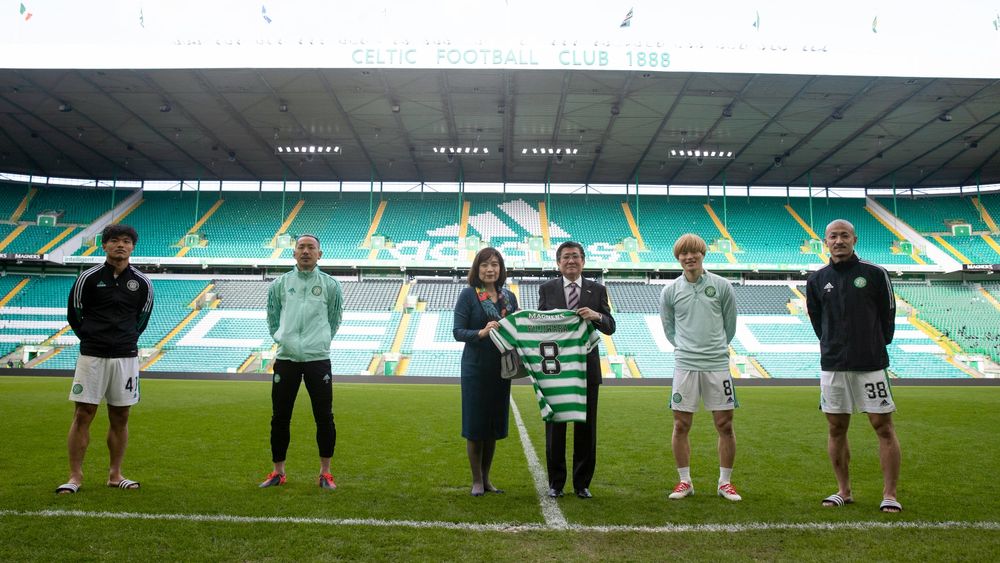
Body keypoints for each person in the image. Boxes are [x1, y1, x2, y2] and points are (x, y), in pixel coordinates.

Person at [806, 219, 902, 513]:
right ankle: (843, 491)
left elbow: (888, 313)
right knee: (836, 427)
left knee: (882, 426)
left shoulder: (875, 273)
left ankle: (890, 494)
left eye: (844, 235)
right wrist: (833, 344)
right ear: (825, 242)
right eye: (833, 236)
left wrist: (874, 344)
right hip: (833, 364)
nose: (838, 240)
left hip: (870, 363)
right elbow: (817, 319)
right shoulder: (816, 279)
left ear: (854, 239)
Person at [56, 223, 154, 494]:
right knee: (83, 414)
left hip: (125, 358)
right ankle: (75, 477)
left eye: (125, 241)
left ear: (132, 247)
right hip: (92, 355)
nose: (120, 245)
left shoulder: (142, 283)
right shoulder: (87, 278)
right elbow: (74, 315)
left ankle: (115, 474)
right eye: (114, 240)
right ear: (104, 245)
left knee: (121, 416)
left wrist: (125, 340)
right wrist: (91, 337)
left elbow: (142, 319)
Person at [659, 234, 741, 502]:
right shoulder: (670, 291)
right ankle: (685, 481)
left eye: (694, 252)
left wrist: (713, 348)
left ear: (703, 254)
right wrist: (687, 348)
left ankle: (725, 483)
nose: (689, 257)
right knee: (681, 425)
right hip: (685, 365)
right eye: (684, 253)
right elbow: (669, 329)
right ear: (678, 258)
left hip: (717, 364)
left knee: (724, 424)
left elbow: (730, 326)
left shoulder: (722, 285)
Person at [260, 234, 344, 490]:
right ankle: (278, 472)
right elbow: (272, 316)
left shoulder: (330, 285)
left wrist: (321, 340)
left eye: (311, 247)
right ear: (294, 253)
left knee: (324, 417)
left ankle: (325, 473)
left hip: (318, 358)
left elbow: (335, 318)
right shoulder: (280, 284)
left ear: (320, 254)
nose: (306, 251)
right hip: (287, 358)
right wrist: (280, 338)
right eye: (301, 247)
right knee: (280, 417)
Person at [537, 241, 615, 499]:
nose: (571, 261)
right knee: (555, 427)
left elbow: (610, 326)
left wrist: (596, 316)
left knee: (586, 428)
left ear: (583, 261)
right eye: (566, 257)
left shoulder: (598, 289)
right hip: (556, 368)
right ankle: (555, 483)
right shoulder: (547, 289)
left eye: (575, 257)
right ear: (558, 263)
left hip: (587, 368)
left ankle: (582, 484)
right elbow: (539, 326)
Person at [453, 247, 519, 496]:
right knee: (475, 425)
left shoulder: (509, 297)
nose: (490, 269)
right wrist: (481, 333)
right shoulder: (469, 295)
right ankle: (476, 480)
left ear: (500, 269)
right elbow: (458, 332)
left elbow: (517, 329)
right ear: (476, 268)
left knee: (493, 426)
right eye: (484, 265)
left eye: (494, 264)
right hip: (475, 368)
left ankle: (488, 478)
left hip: (502, 368)